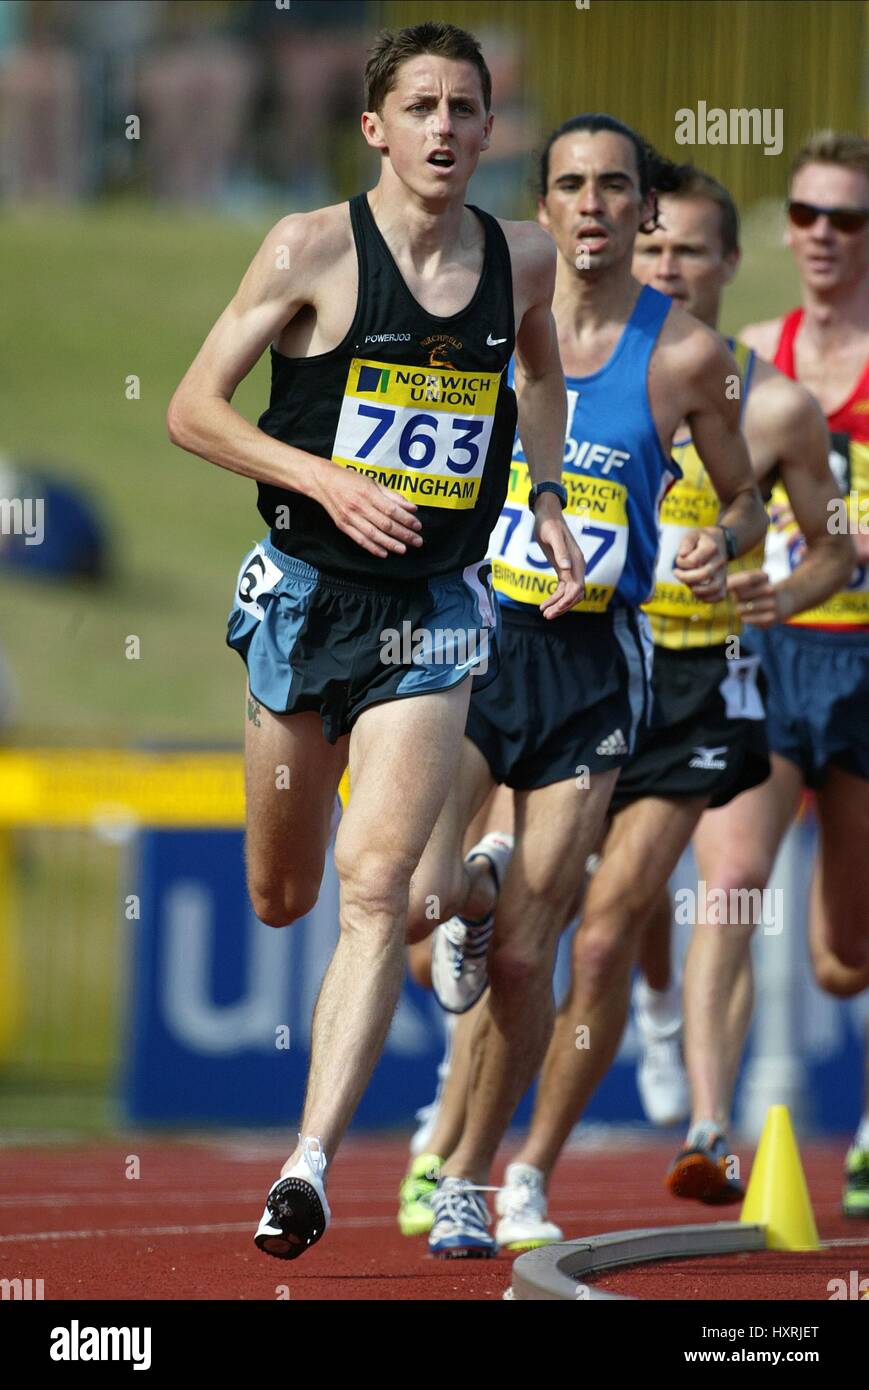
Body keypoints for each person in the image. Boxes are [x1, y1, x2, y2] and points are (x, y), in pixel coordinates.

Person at [167, 20, 582, 1261]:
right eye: (421, 107)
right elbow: (193, 408)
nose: (445, 129)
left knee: (372, 893)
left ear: (488, 129)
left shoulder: (520, 260)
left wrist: (546, 498)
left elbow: (542, 376)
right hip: (304, 597)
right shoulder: (305, 248)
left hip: (433, 611)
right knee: (284, 892)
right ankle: (484, 882)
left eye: (466, 108)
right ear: (374, 126)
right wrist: (327, 479)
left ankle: (306, 1169)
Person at [403, 118, 768, 1257]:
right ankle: (472, 892)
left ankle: (480, 1173)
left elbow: (746, 494)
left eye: (617, 187)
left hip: (606, 666)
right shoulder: (475, 316)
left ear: (642, 211)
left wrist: (721, 543)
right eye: (571, 186)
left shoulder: (683, 357)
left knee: (544, 948)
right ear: (543, 207)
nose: (596, 206)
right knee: (420, 907)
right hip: (467, 649)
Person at [485, 161, 853, 1247]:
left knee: (751, 910)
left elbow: (810, 539)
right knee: (517, 921)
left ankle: (692, 1122)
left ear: (728, 266)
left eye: (690, 250)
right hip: (577, 664)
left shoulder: (768, 398)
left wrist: (764, 578)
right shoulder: (567, 370)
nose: (668, 267)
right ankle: (462, 1148)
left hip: (720, 678)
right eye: (653, 249)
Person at [693, 131, 869, 1216]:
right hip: (763, 650)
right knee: (727, 880)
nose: (818, 236)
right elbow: (715, 485)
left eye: (843, 219)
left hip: (862, 659)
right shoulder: (753, 349)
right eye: (803, 215)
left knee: (844, 957)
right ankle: (710, 1126)